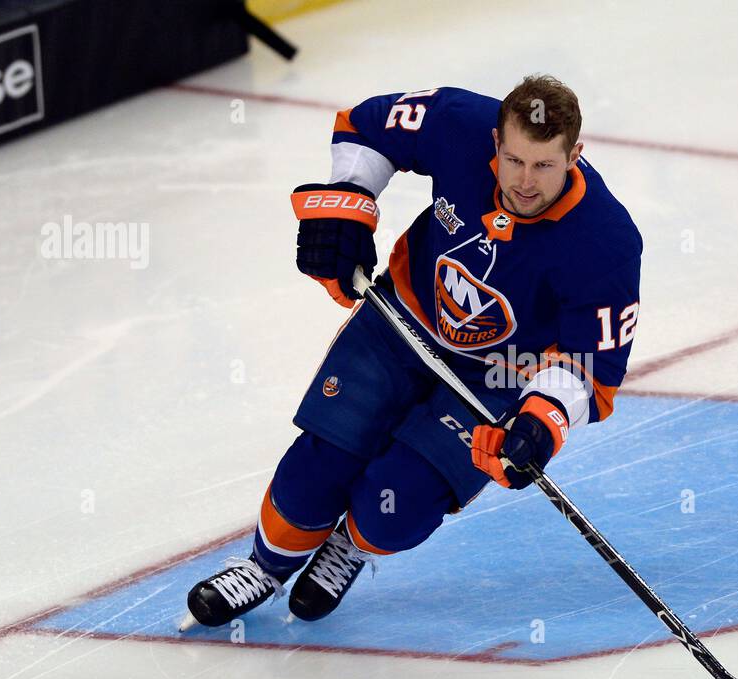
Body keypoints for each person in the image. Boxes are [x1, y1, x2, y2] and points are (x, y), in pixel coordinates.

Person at [183, 75, 643, 628]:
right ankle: (263, 567)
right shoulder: (457, 122)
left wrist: (541, 423)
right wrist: (349, 201)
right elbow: (366, 125)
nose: (524, 181)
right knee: (315, 472)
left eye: (544, 166)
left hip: (497, 374)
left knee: (395, 510)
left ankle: (351, 547)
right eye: (513, 160)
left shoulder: (607, 241)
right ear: (495, 139)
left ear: (575, 154)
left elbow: (590, 361)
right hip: (401, 323)